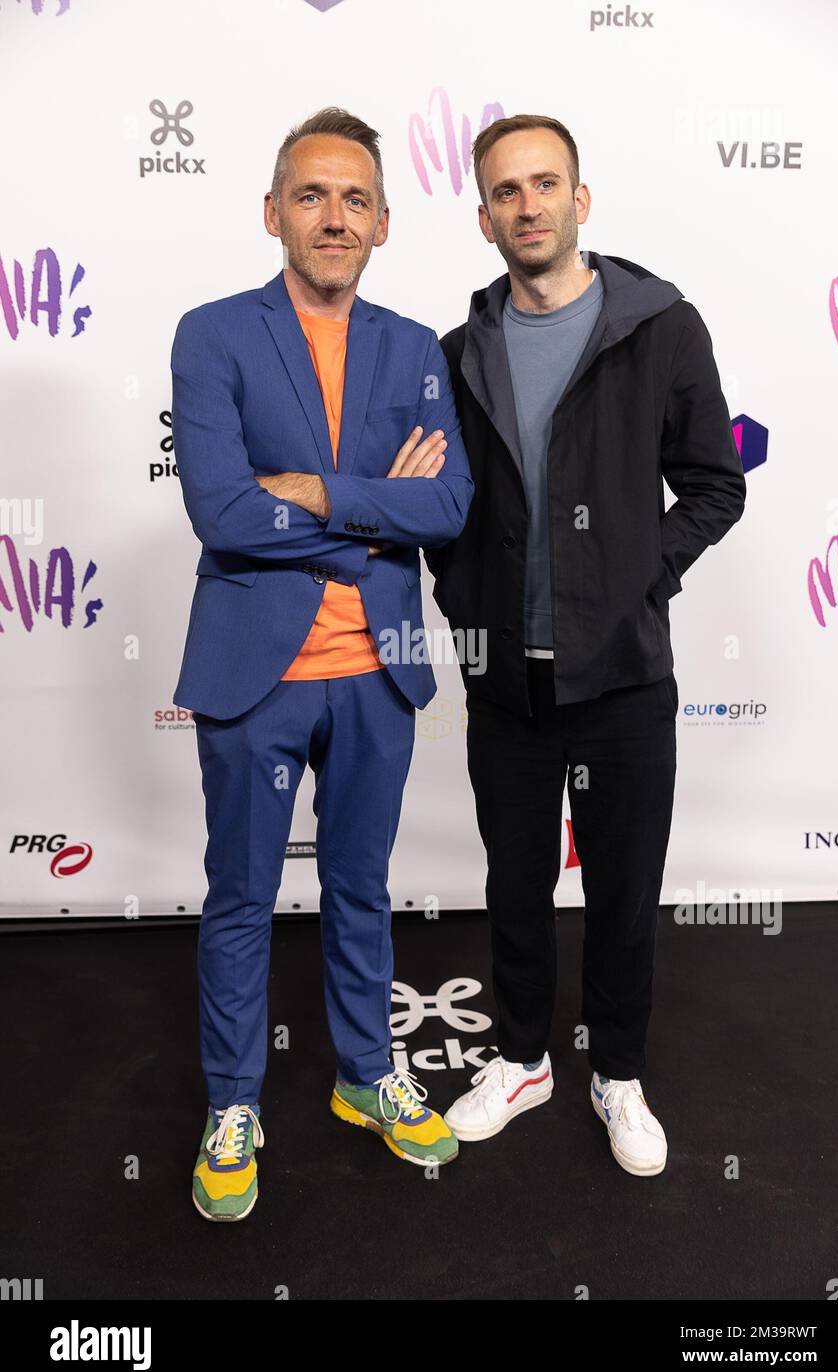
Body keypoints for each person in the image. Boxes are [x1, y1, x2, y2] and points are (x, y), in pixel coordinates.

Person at [170, 108, 474, 1220]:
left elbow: (444, 505)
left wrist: (319, 490)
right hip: (258, 669)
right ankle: (234, 1101)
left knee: (360, 887)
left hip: (381, 668)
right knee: (243, 893)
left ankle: (364, 1075)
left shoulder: (414, 345)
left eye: (354, 199)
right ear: (272, 214)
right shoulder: (212, 334)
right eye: (311, 195)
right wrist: (372, 515)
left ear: (384, 223)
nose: (333, 216)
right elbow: (221, 510)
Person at [430, 114, 746, 1177]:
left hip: (621, 674)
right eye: (507, 191)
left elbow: (713, 484)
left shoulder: (661, 326)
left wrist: (633, 579)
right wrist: (465, 603)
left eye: (545, 184)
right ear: (483, 215)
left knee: (621, 888)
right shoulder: (457, 353)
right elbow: (448, 510)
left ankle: (618, 1071)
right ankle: (520, 1058)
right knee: (514, 883)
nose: (528, 205)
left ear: (581, 199)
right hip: (503, 683)